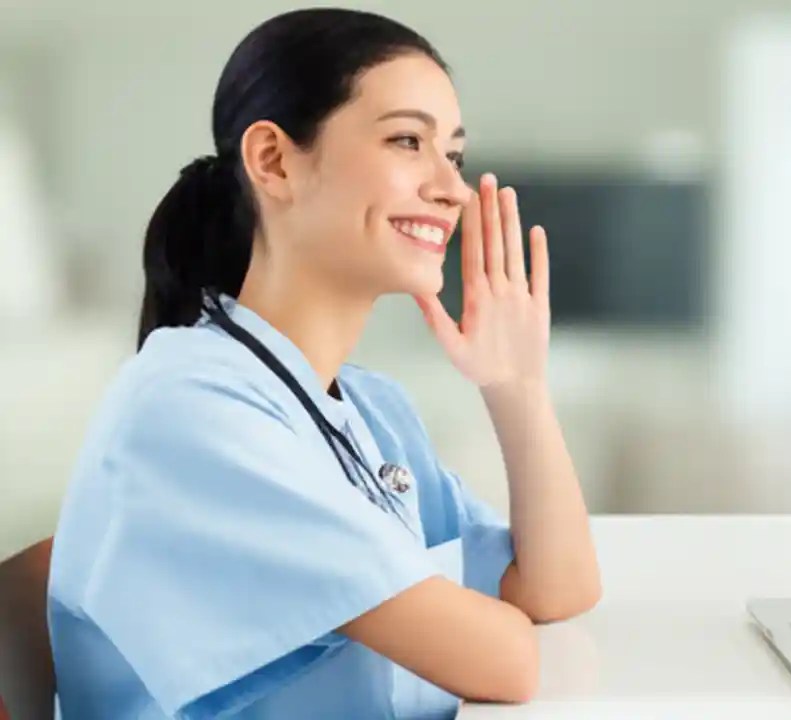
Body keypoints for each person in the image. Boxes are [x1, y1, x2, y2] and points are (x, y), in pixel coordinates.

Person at [46, 8, 601, 719]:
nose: (453, 188)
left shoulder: (370, 409)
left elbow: (556, 589)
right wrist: (475, 624)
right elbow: (506, 661)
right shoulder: (187, 408)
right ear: (274, 161)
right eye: (408, 141)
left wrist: (515, 385)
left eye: (454, 155)